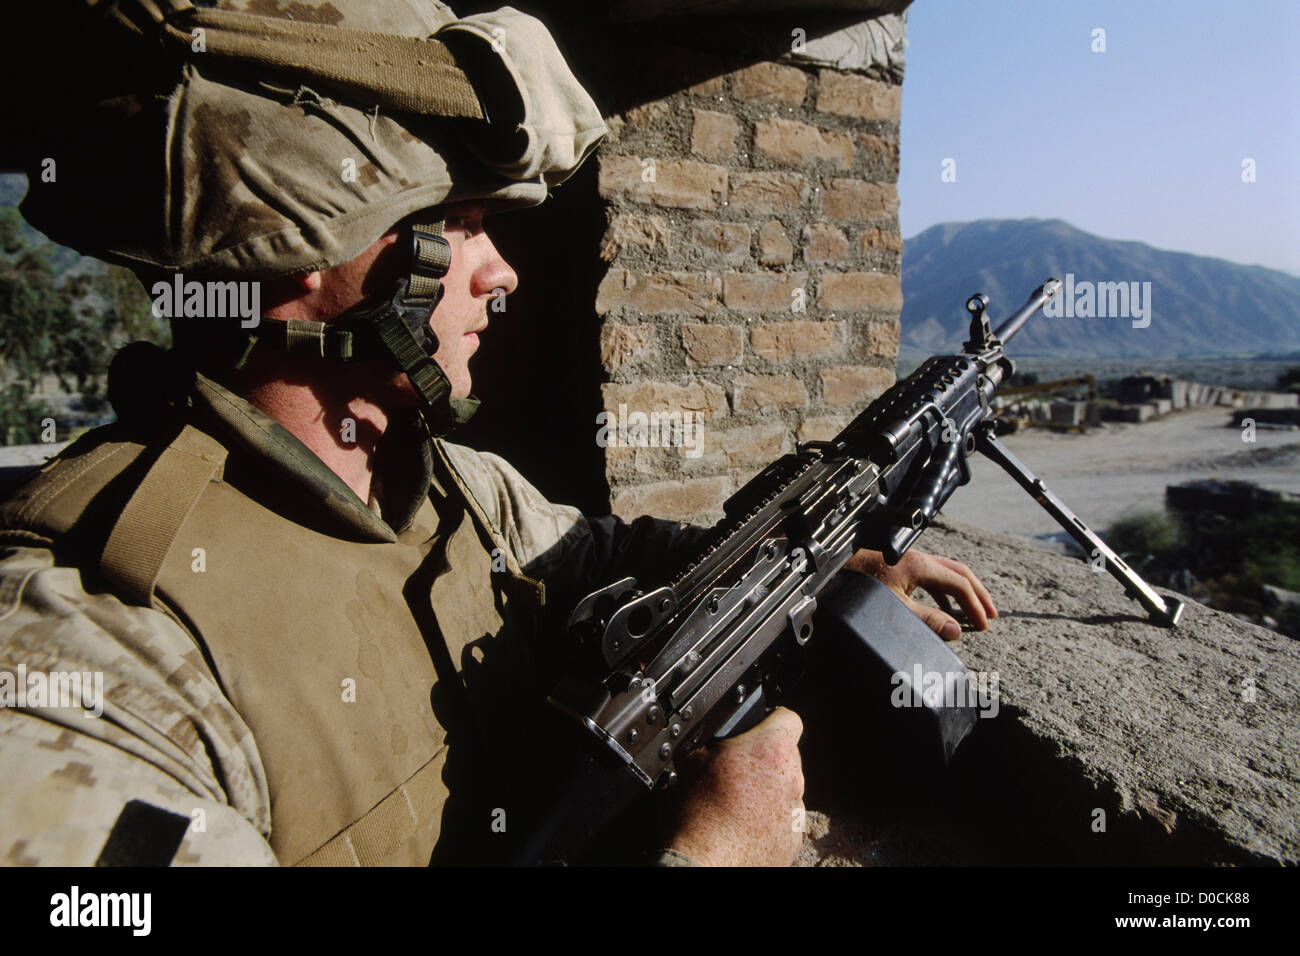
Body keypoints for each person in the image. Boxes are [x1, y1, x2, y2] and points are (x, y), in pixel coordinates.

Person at [0, 0, 994, 867]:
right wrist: (711, 852)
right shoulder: (91, 648)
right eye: (460, 220)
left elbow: (609, 557)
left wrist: (827, 576)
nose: (501, 271)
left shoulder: (441, 488)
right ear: (304, 245)